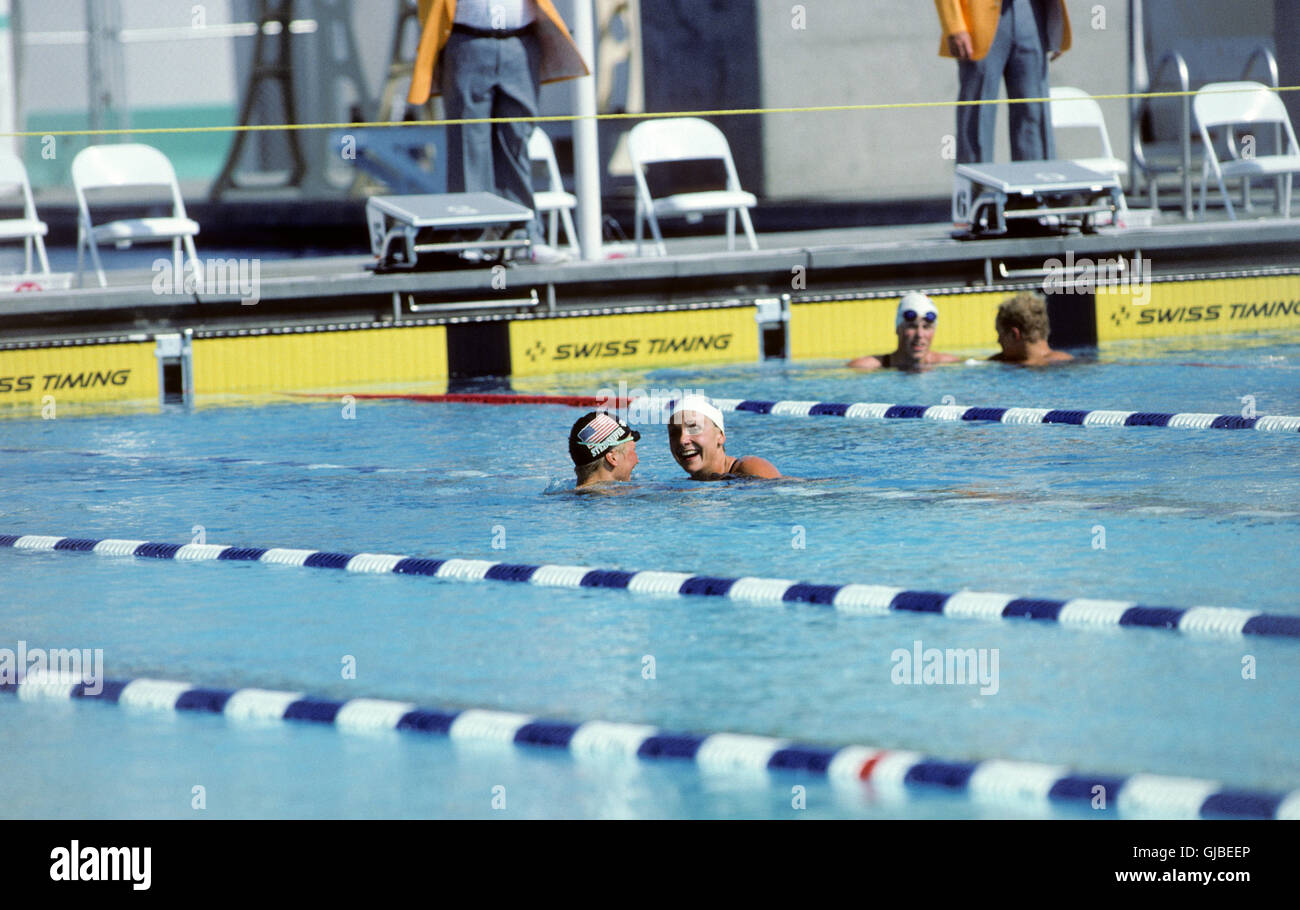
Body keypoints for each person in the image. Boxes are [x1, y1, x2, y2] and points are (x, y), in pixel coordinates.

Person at [406, 1, 589, 264]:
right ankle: (472, 238)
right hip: (467, 39)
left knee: (516, 141)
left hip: (520, 41)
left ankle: (524, 238)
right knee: (469, 144)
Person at [935, 0, 1071, 164]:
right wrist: (954, 25)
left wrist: (1055, 24)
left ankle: (1035, 182)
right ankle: (979, 185)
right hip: (977, 16)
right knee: (978, 108)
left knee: (1033, 107)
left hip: (1031, 12)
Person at [667, 395, 780, 481]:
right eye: (674, 432)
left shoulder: (750, 469)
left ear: (720, 436)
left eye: (694, 428)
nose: (682, 440)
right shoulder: (689, 487)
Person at [848, 292, 963, 371]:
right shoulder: (865, 367)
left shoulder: (950, 364)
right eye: (912, 327)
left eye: (926, 327)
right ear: (898, 329)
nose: (920, 335)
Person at [989, 291, 1074, 365]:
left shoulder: (1005, 364)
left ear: (1014, 334)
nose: (998, 341)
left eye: (1000, 334)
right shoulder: (1067, 360)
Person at [569, 411, 640, 487]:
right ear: (613, 458)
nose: (637, 460)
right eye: (633, 450)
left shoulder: (566, 495)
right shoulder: (631, 494)